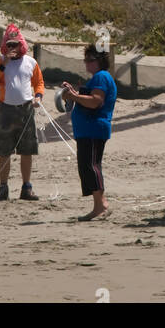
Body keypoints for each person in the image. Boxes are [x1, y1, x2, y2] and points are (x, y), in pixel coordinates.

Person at [0, 24, 44, 202]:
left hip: (26, 109)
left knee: (27, 150)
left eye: (15, 44)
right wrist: (3, 65)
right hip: (6, 109)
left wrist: (38, 97)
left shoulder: (30, 62)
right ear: (5, 45)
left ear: (21, 44)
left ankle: (27, 187)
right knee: (4, 151)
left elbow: (39, 82)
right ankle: (3, 188)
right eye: (9, 44)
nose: (12, 48)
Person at [61, 44, 117, 221]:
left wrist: (73, 96)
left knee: (91, 166)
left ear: (99, 61)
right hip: (87, 130)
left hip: (94, 129)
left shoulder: (102, 77)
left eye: (90, 60)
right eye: (85, 60)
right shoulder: (98, 78)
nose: (86, 63)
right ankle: (101, 203)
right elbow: (89, 99)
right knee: (87, 166)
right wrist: (73, 93)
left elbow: (95, 101)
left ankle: (100, 206)